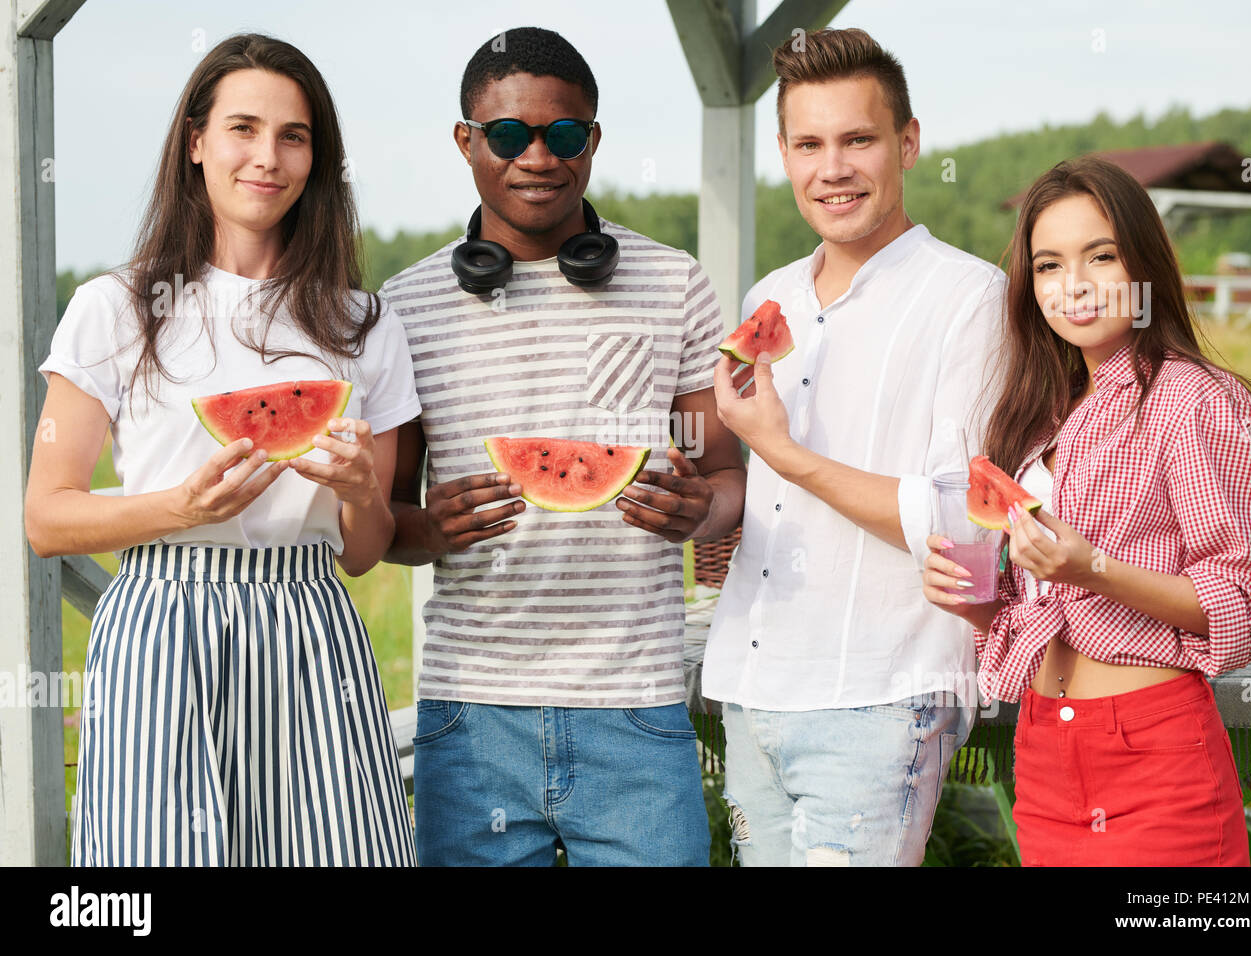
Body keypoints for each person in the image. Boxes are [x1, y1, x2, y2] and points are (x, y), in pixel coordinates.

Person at [25, 34, 421, 866]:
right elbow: (47, 518)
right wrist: (181, 508)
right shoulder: (114, 307)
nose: (266, 157)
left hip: (311, 623)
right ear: (196, 142)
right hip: (158, 625)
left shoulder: (363, 323)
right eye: (243, 129)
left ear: (318, 160)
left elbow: (364, 553)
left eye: (293, 136)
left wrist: (359, 493)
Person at [380, 27, 746, 867]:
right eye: (508, 135)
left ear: (594, 139)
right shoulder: (404, 305)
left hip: (636, 709)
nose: (538, 156)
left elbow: (727, 478)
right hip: (471, 714)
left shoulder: (672, 280)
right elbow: (388, 524)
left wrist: (700, 512)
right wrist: (430, 530)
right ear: (466, 141)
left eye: (564, 134)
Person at [921, 156, 1251, 866]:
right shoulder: (1043, 418)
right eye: (1050, 265)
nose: (1074, 286)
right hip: (1045, 748)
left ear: (1144, 266)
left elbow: (1243, 606)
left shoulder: (1195, 401)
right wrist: (980, 611)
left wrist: (1092, 567)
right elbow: (1054, 603)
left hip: (1155, 751)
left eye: (1102, 256)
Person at [706, 27, 1005, 866]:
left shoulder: (971, 298)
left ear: (908, 143)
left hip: (881, 691)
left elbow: (961, 522)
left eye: (857, 140)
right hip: (751, 687)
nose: (831, 168)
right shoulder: (772, 295)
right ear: (782, 153)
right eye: (809, 144)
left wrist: (785, 452)